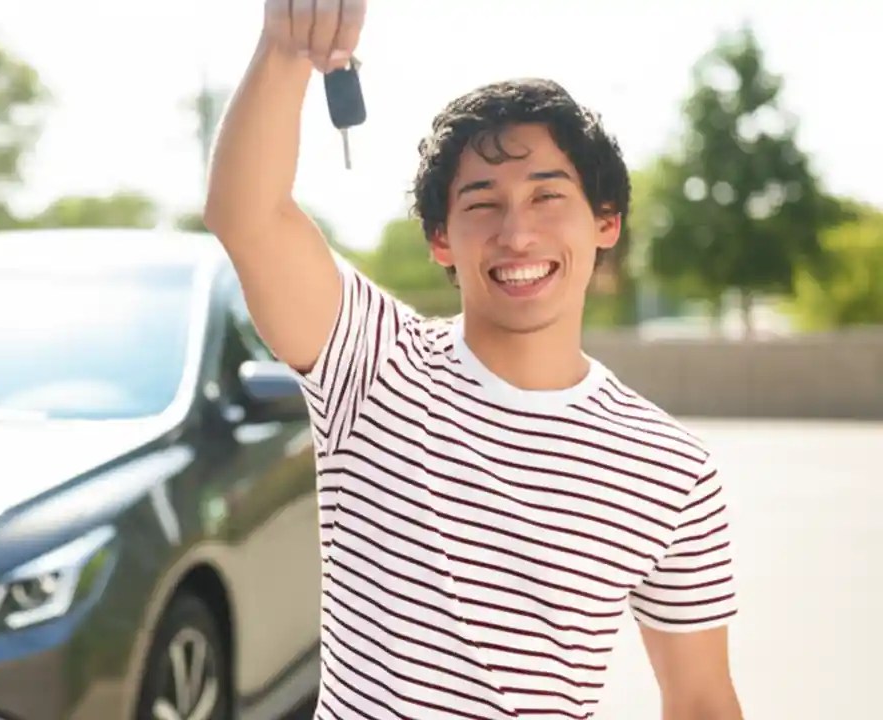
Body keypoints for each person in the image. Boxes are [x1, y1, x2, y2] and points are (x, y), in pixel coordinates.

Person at [204, 2, 745, 719]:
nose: (518, 233)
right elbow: (248, 214)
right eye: (482, 205)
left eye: (549, 196)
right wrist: (284, 46)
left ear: (605, 222)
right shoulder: (373, 365)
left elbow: (703, 697)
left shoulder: (671, 467)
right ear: (441, 241)